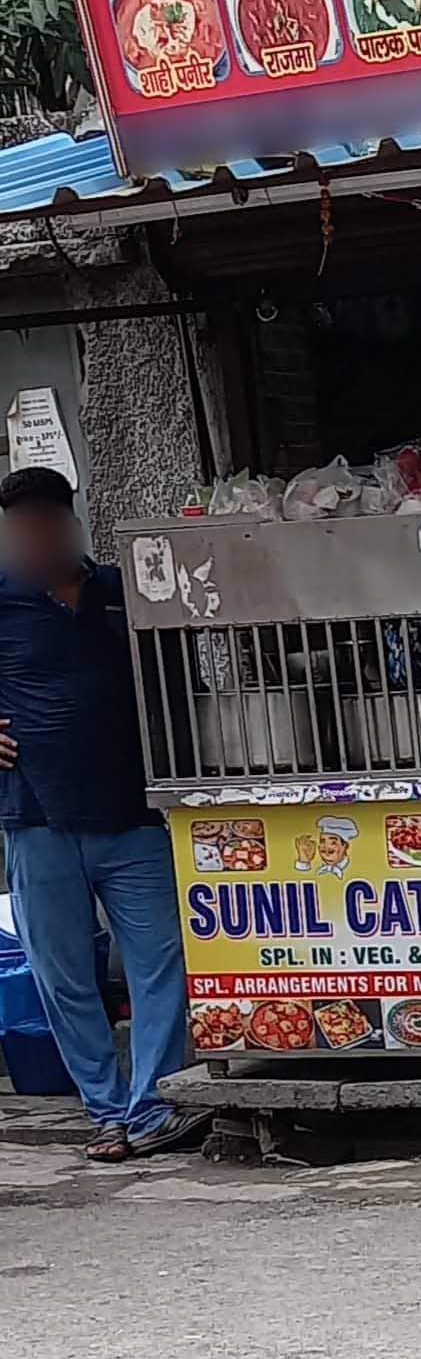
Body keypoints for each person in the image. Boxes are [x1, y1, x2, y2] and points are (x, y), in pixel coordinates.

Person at [0, 468, 208, 1161]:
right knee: (63, 976)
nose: (32, 537)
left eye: (43, 522)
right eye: (19, 526)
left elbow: (181, 677)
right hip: (37, 821)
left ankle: (152, 1106)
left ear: (69, 522)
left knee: (162, 963)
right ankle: (107, 1109)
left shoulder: (123, 592)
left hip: (133, 815)